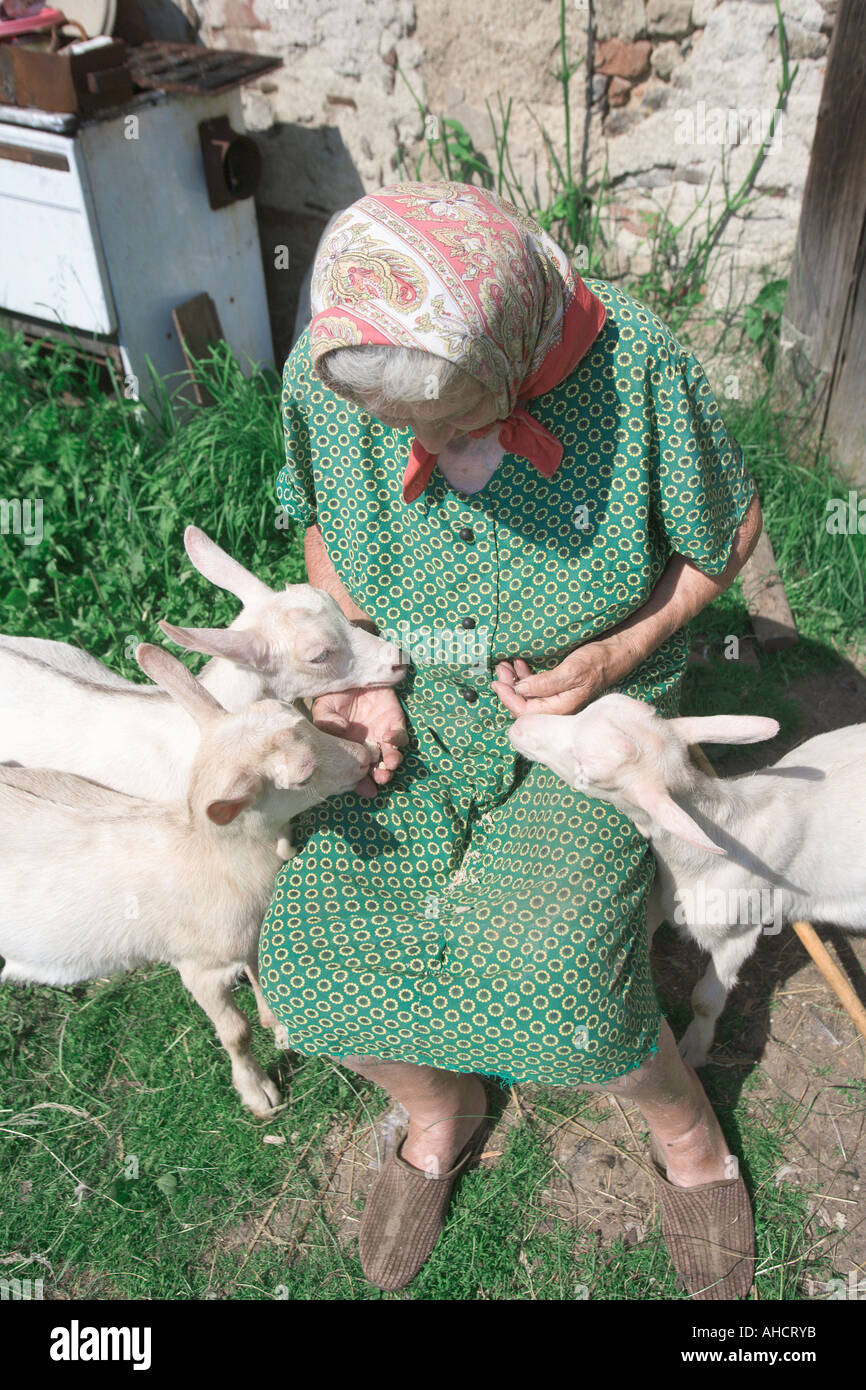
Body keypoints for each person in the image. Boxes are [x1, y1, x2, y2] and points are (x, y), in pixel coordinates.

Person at [259, 180, 762, 1298]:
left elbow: (724, 539)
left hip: (584, 715)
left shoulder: (632, 364)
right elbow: (317, 527)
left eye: (452, 419)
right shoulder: (327, 374)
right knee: (302, 961)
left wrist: (613, 658)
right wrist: (358, 667)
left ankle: (682, 1128)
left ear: (517, 348)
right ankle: (438, 1106)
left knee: (557, 967)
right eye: (402, 429)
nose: (425, 449)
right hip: (416, 698)